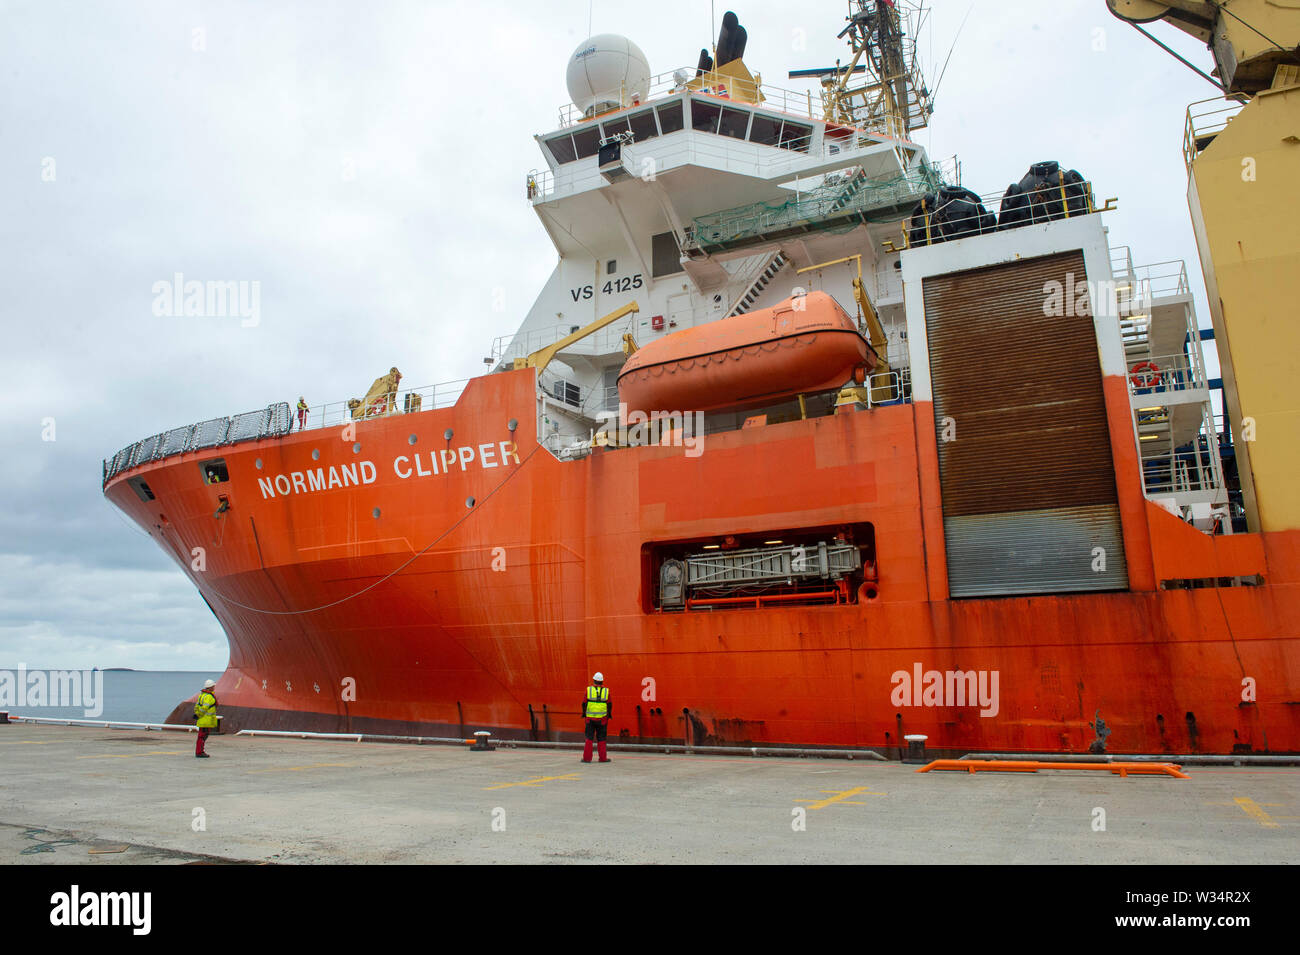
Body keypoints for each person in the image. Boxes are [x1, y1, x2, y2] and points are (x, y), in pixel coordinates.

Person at [581, 672, 611, 763]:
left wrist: (584, 714)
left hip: (590, 719)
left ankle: (587, 758)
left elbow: (584, 703)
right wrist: (609, 715)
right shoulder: (606, 691)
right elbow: (609, 704)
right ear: (602, 681)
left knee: (589, 738)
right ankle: (602, 758)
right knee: (601, 738)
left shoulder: (588, 690)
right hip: (602, 719)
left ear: (594, 680)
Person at [194, 679, 218, 758]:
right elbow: (205, 708)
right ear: (210, 687)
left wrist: (197, 714)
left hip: (202, 720)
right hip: (206, 720)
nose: (214, 687)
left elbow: (197, 706)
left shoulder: (201, 695)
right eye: (213, 686)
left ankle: (199, 751)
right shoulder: (209, 697)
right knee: (203, 737)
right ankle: (200, 752)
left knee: (201, 736)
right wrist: (200, 714)